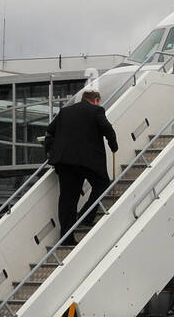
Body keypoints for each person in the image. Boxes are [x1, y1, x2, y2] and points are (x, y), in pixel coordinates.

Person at [44, 89, 119, 246]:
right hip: (87, 160)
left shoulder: (65, 112)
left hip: (64, 160)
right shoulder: (97, 110)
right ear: (96, 100)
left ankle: (66, 238)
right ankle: (86, 215)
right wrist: (114, 146)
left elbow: (50, 131)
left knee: (67, 200)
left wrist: (52, 151)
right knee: (103, 184)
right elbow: (107, 129)